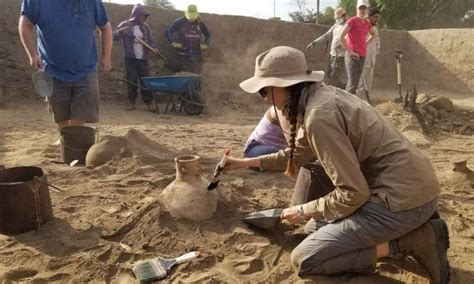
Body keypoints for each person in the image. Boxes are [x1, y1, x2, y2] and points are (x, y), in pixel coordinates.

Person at [224, 46, 449, 283]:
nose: (266, 99)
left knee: (307, 259)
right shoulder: (317, 98)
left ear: (283, 86)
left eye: (264, 91)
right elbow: (291, 157)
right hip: (407, 190)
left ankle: (409, 240)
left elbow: (352, 193)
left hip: (401, 201)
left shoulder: (319, 116)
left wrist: (301, 210)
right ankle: (411, 235)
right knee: (314, 229)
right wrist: (241, 163)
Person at [19, 0, 112, 130]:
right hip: (52, 68)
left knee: (82, 113)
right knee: (59, 112)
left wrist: (106, 57)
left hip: (86, 68)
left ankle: (71, 136)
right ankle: (65, 135)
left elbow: (105, 27)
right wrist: (32, 54)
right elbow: (25, 25)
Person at [114, 4, 157, 112]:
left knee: (145, 81)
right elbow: (114, 37)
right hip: (130, 59)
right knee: (131, 80)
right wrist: (120, 32)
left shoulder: (146, 28)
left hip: (143, 59)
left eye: (145, 16)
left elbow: (151, 42)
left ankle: (149, 102)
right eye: (142, 16)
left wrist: (154, 49)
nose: (144, 18)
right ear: (136, 15)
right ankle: (131, 102)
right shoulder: (125, 25)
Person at [306, 8, 347, 89]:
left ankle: (337, 92)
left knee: (335, 76)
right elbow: (326, 36)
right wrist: (314, 42)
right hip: (333, 54)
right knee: (330, 74)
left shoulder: (347, 26)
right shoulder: (335, 26)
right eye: (336, 18)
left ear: (344, 16)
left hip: (341, 56)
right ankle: (338, 89)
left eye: (338, 18)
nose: (336, 20)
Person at [339, 0, 374, 95]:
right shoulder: (353, 20)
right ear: (357, 9)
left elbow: (373, 34)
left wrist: (365, 43)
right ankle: (348, 107)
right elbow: (341, 37)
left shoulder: (367, 23)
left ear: (367, 9)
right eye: (360, 8)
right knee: (353, 85)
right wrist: (350, 52)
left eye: (364, 8)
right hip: (353, 56)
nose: (362, 10)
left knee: (353, 83)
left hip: (362, 55)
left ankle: (344, 103)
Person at [165, 4, 212, 74]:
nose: (191, 19)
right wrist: (173, 42)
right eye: (190, 17)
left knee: (196, 75)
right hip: (183, 55)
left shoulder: (200, 23)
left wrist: (206, 44)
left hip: (196, 55)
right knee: (183, 74)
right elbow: (168, 31)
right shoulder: (180, 22)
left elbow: (209, 35)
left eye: (193, 17)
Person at [358, 7, 381, 94]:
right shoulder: (362, 26)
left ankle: (365, 101)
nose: (377, 19)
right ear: (369, 16)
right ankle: (357, 101)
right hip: (363, 58)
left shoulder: (375, 28)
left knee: (368, 82)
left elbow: (377, 42)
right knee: (360, 82)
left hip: (371, 59)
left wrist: (377, 50)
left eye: (378, 17)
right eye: (375, 17)